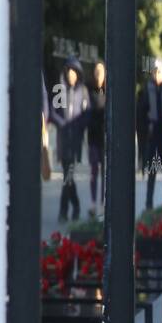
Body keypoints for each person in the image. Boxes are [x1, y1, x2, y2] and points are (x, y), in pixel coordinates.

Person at [50, 56, 91, 222]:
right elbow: (53, 112)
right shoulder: (59, 90)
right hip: (63, 138)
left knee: (69, 173)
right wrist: (63, 124)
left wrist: (77, 124)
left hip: (75, 139)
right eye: (69, 72)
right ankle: (73, 206)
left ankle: (65, 209)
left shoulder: (83, 91)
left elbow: (87, 113)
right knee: (68, 173)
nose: (71, 75)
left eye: (74, 72)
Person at [137, 57, 162, 210]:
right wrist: (146, 127)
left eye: (160, 72)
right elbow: (141, 112)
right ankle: (148, 204)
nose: (157, 74)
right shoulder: (147, 89)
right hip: (153, 133)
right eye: (155, 72)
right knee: (152, 170)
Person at [86, 60, 107, 219]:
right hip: (93, 136)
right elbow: (86, 112)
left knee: (105, 171)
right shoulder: (89, 90)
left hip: (105, 137)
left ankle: (103, 202)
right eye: (97, 71)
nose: (99, 74)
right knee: (94, 170)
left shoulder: (108, 90)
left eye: (102, 71)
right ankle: (93, 202)